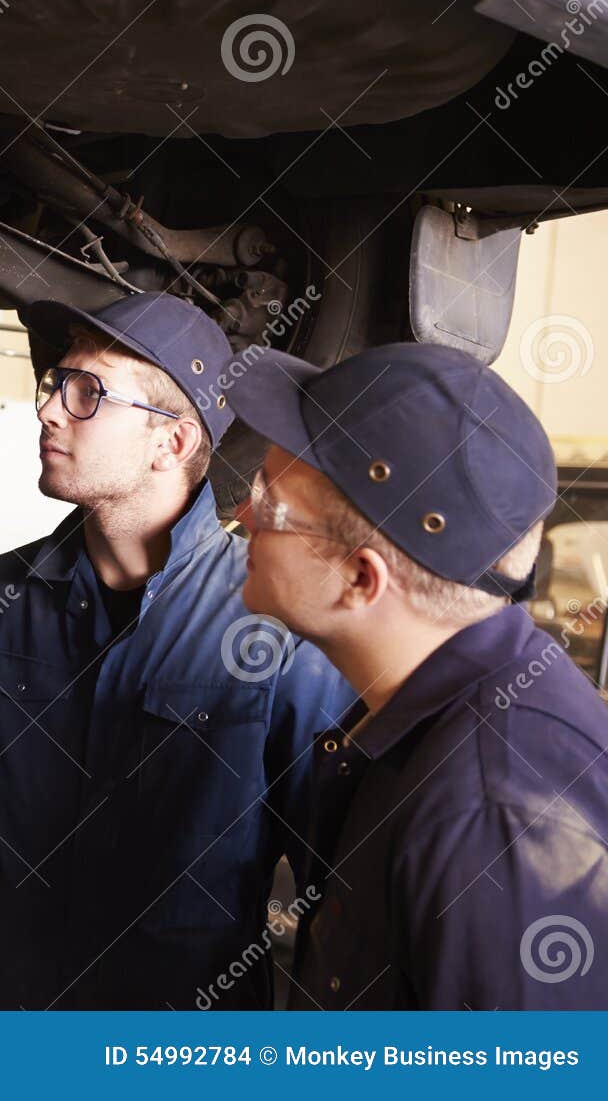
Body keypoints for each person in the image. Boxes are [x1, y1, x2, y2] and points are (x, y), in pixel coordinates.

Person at [0, 293, 354, 1009]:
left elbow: (336, 878)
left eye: (86, 393)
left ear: (174, 441)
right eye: (54, 386)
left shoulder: (271, 621)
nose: (48, 411)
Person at [222, 340, 608, 1008]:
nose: (242, 515)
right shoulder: (420, 722)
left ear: (359, 579)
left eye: (270, 503)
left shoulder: (490, 817)